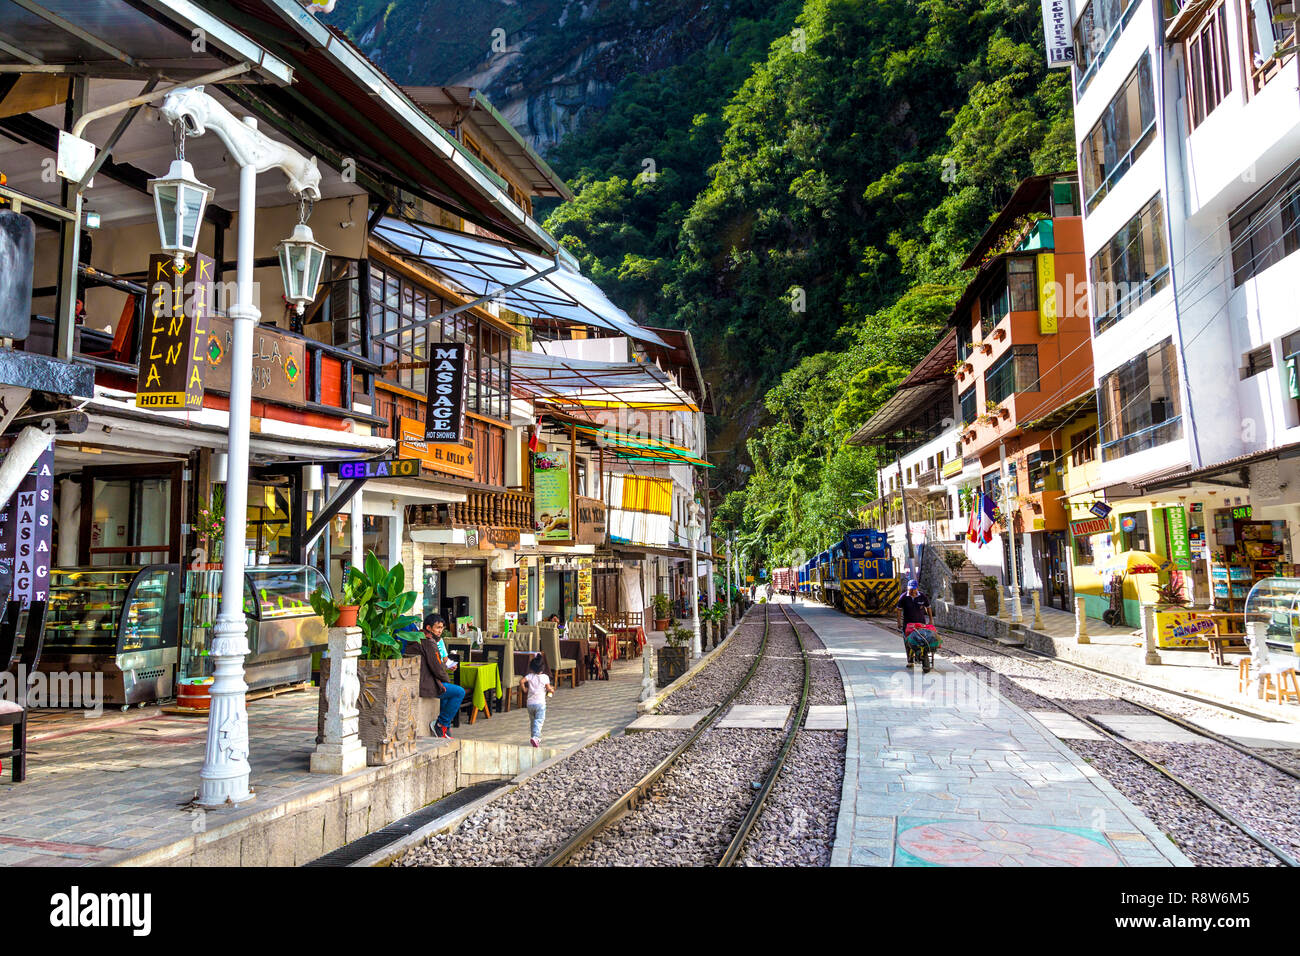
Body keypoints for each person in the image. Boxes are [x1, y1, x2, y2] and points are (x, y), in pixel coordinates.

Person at [416, 613, 465, 739]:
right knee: (459, 692)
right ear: (428, 628)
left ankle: (444, 729)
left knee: (447, 692)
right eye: (438, 628)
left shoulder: (422, 638)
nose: (440, 631)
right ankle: (441, 724)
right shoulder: (429, 642)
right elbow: (437, 668)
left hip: (425, 681)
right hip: (427, 684)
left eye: (442, 628)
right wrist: (446, 678)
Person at [896, 579, 934, 670]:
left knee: (923, 640)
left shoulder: (923, 596)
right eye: (910, 589)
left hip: (921, 624)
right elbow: (899, 610)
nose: (912, 591)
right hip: (908, 624)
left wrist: (931, 620)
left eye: (914, 589)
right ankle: (910, 660)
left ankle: (923, 657)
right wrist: (899, 622)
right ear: (907, 588)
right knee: (907, 642)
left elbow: (928, 608)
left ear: (917, 588)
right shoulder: (903, 597)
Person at [519, 653, 553, 748]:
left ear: (532, 668)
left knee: (533, 721)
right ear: (542, 668)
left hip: (530, 704)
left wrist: (524, 689)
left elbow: (521, 681)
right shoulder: (545, 677)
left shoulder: (529, 676)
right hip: (540, 704)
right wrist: (552, 690)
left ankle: (533, 738)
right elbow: (549, 688)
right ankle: (535, 737)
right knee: (539, 721)